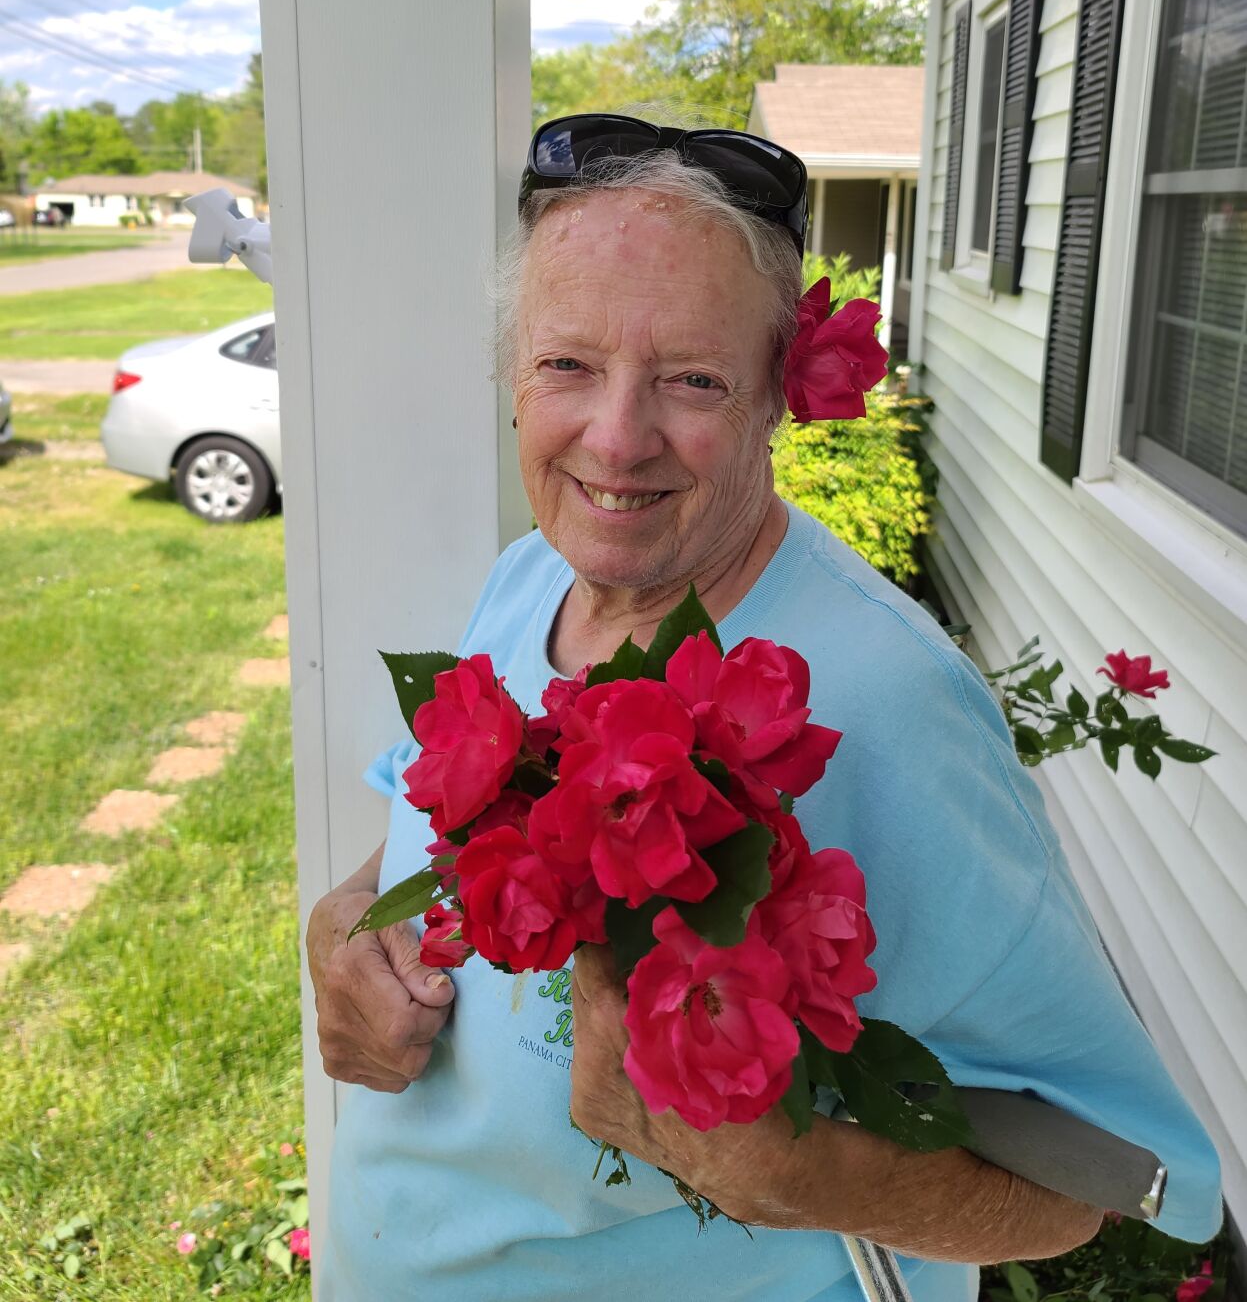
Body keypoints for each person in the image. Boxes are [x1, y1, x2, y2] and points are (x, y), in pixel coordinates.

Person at [310, 115, 1221, 1301]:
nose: (616, 438)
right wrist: (339, 930)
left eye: (691, 378)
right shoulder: (529, 573)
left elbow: (1114, 1174)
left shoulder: (884, 701)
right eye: (566, 364)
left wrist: (795, 1176)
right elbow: (413, 822)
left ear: (777, 396)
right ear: (510, 370)